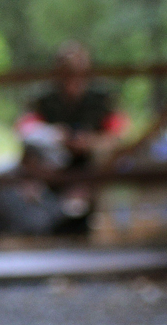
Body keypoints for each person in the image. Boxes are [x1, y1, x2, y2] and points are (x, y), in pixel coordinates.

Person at [18, 40, 128, 234]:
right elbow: (25, 128)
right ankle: (38, 204)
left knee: (107, 157)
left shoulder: (100, 97)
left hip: (89, 165)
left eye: (78, 72)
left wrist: (90, 142)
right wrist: (55, 135)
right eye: (67, 72)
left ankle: (81, 199)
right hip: (54, 162)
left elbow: (119, 132)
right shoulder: (45, 98)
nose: (72, 79)